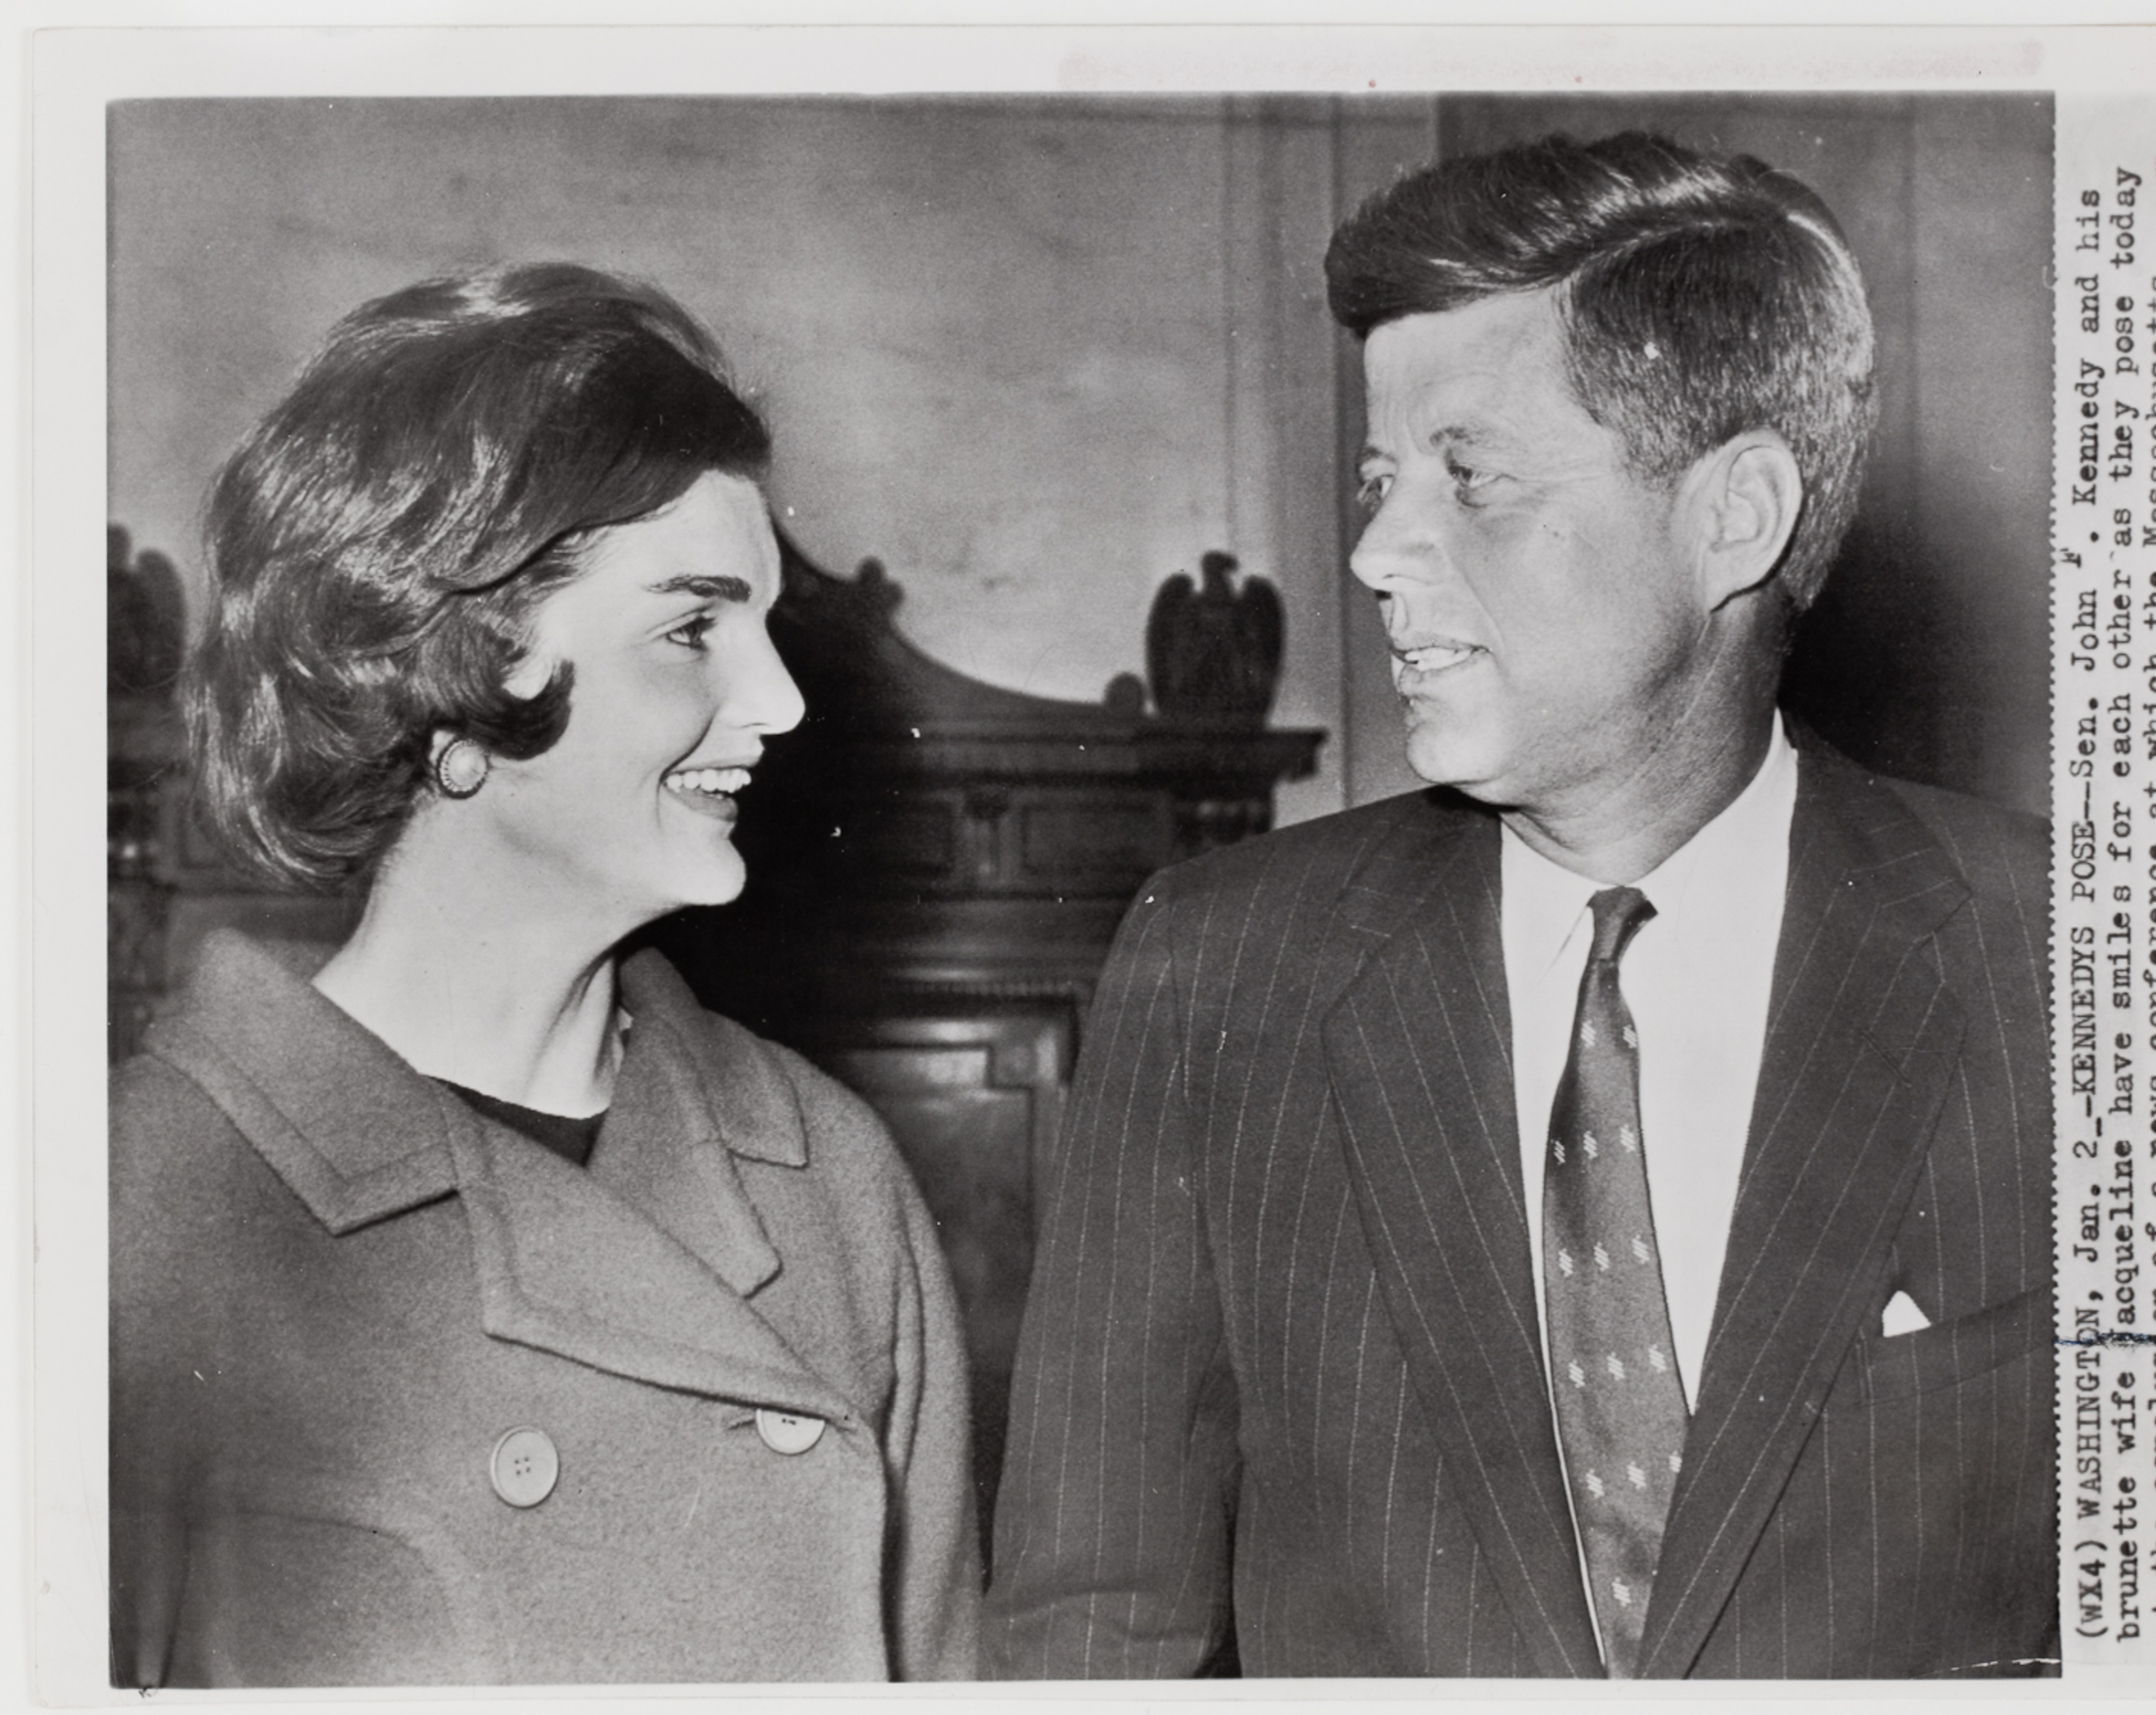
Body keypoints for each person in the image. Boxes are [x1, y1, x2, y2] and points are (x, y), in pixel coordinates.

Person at [987, 134, 2054, 1679]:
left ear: (1734, 515)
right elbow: (1094, 1630)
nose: (1371, 552)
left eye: (1466, 476)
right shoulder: (1219, 970)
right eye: (1378, 480)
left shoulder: (2069, 965)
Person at [110, 264, 980, 1686]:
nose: (779, 701)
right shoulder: (130, 1209)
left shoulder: (827, 1179)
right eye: (694, 625)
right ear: (451, 656)